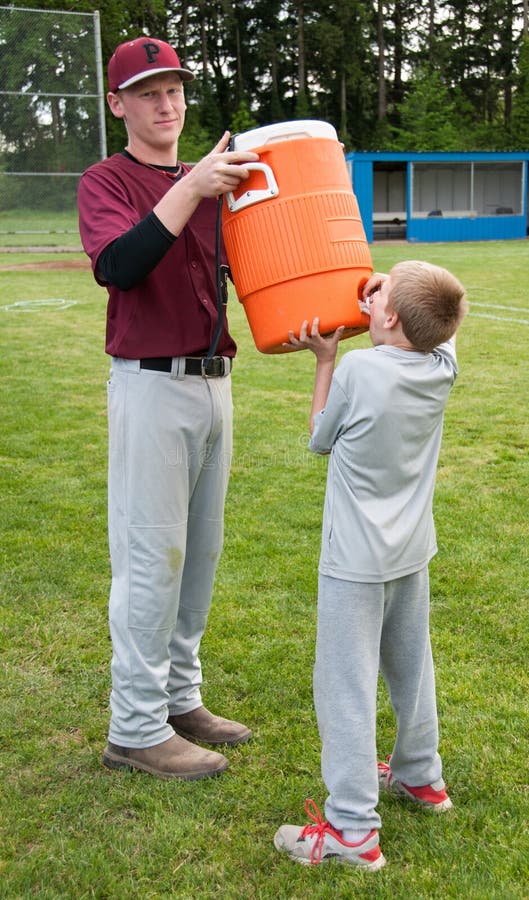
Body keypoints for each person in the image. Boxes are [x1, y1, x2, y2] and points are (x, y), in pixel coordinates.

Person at [77, 36, 259, 780]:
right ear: (118, 104)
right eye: (148, 91)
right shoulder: (106, 179)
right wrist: (190, 189)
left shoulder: (207, 180)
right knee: (152, 558)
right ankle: (134, 727)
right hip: (150, 384)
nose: (167, 103)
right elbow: (118, 265)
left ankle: (179, 696)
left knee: (200, 557)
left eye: (175, 89)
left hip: (214, 380)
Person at [273, 261, 468, 868]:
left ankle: (352, 831)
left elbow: (318, 438)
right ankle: (419, 776)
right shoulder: (442, 364)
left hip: (355, 561)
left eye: (381, 290)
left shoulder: (358, 369)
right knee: (412, 666)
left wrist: (325, 360)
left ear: (386, 318)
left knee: (345, 687)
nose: (374, 285)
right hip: (411, 553)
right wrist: (394, 297)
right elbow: (439, 317)